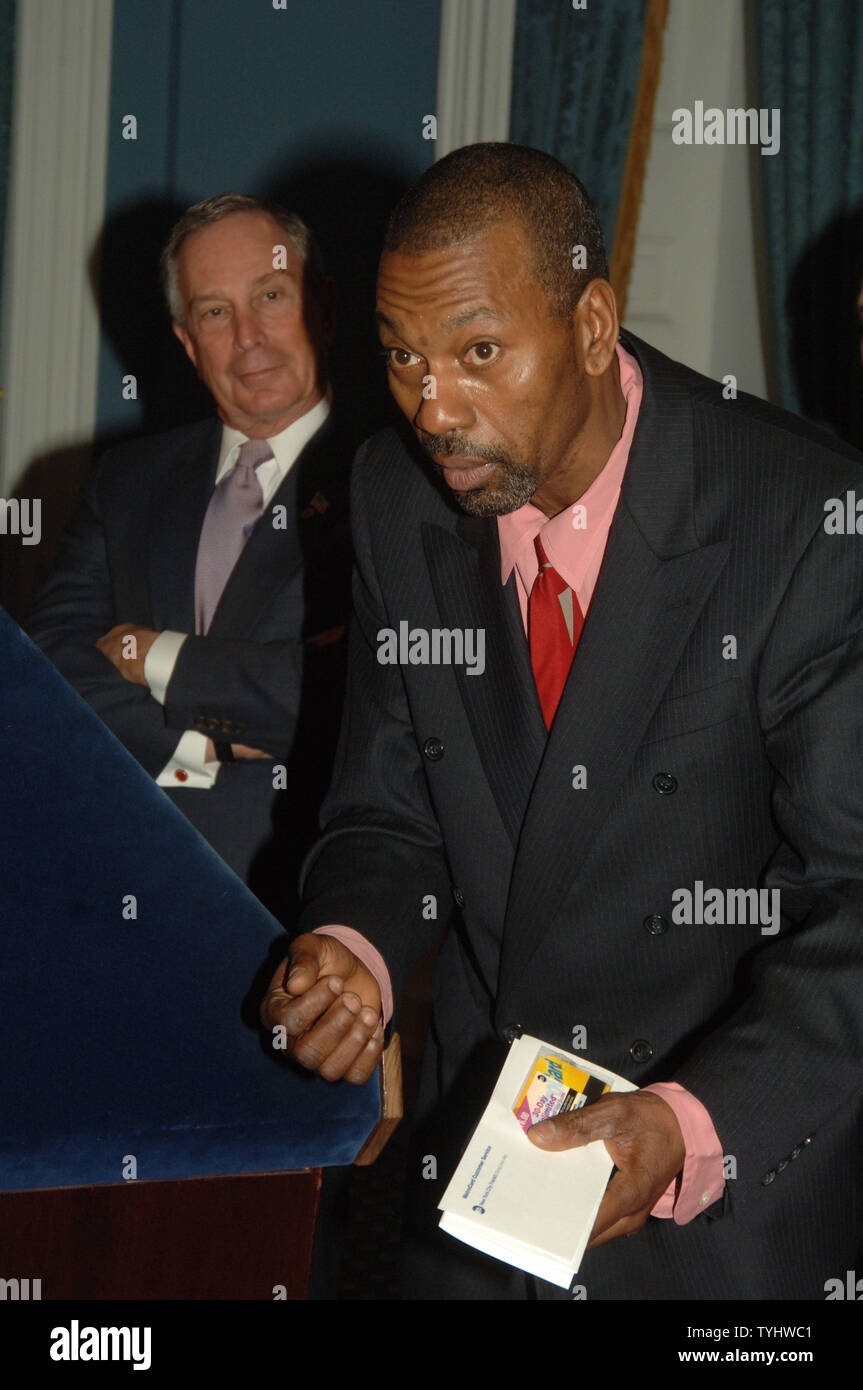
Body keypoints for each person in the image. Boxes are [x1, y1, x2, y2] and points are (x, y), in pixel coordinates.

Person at [261, 143, 863, 1300]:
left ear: (591, 326)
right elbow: (391, 808)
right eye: (401, 357)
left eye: (479, 352)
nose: (434, 407)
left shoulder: (802, 522)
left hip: (716, 1221)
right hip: (480, 1195)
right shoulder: (397, 499)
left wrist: (688, 1123)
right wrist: (354, 949)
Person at [28, 194, 355, 920]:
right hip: (108, 883)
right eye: (214, 312)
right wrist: (196, 747)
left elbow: (360, 691)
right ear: (186, 342)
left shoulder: (394, 482)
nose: (248, 337)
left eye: (271, 296)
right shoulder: (129, 479)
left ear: (324, 307)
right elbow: (48, 663)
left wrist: (156, 657)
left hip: (301, 912)